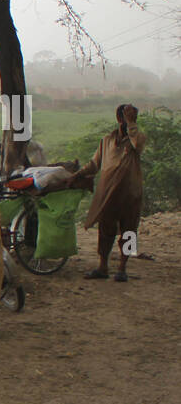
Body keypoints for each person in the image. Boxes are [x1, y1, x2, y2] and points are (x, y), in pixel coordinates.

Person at [77, 104, 146, 282]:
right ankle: (103, 266)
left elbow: (138, 144)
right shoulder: (107, 140)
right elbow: (94, 164)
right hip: (108, 194)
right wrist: (76, 175)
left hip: (131, 195)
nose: (127, 122)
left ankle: (123, 268)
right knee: (105, 230)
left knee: (130, 231)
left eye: (131, 118)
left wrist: (131, 124)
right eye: (125, 117)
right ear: (118, 119)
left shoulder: (136, 138)